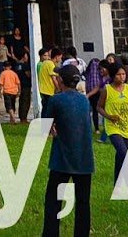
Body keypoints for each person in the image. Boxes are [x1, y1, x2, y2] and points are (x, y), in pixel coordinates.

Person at [41, 67, 94, 237]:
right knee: (83, 203)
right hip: (84, 158)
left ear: (61, 81)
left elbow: (47, 124)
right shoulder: (84, 100)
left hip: (62, 158)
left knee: (53, 202)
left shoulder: (56, 100)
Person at [91, 63, 128, 188]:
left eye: (123, 74)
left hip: (126, 126)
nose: (121, 77)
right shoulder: (107, 89)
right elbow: (99, 107)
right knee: (124, 153)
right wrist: (109, 116)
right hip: (112, 126)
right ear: (112, 75)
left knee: (120, 156)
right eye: (118, 75)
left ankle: (117, 182)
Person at [36, 48, 57, 114]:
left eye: (47, 55)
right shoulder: (41, 65)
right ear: (40, 56)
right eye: (45, 55)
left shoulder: (46, 64)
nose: (47, 57)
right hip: (45, 88)